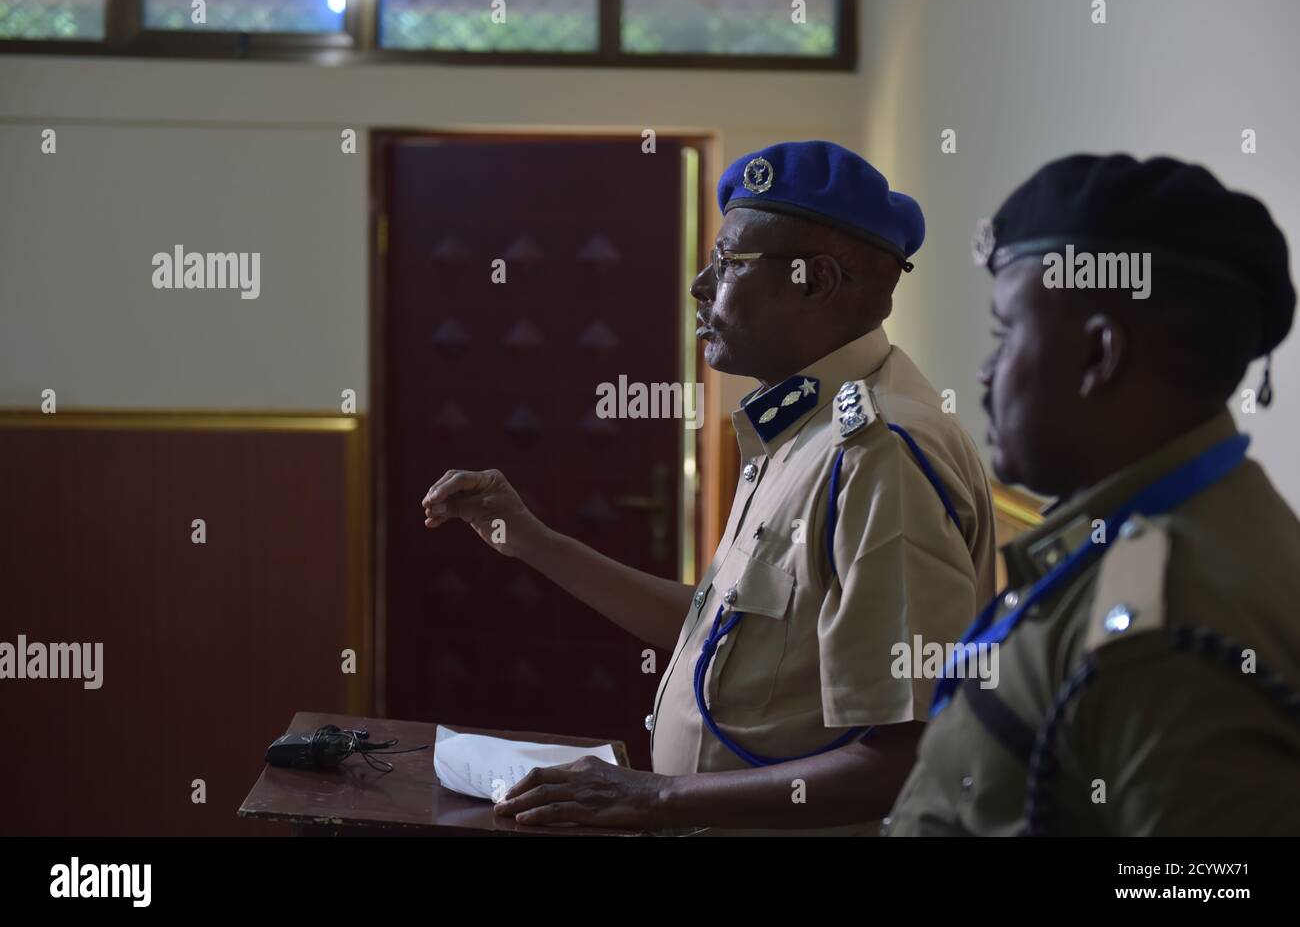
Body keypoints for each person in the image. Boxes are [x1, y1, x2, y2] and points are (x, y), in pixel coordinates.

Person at [424, 141, 996, 832]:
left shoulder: (879, 454)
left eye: (728, 263)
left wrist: (651, 797)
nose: (700, 284)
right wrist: (535, 541)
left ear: (814, 281)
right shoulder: (799, 424)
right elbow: (716, 627)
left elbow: (911, 759)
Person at [888, 153, 1300, 836]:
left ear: (1098, 355)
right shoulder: (1135, 532)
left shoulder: (1171, 632)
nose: (986, 372)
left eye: (1005, 332)